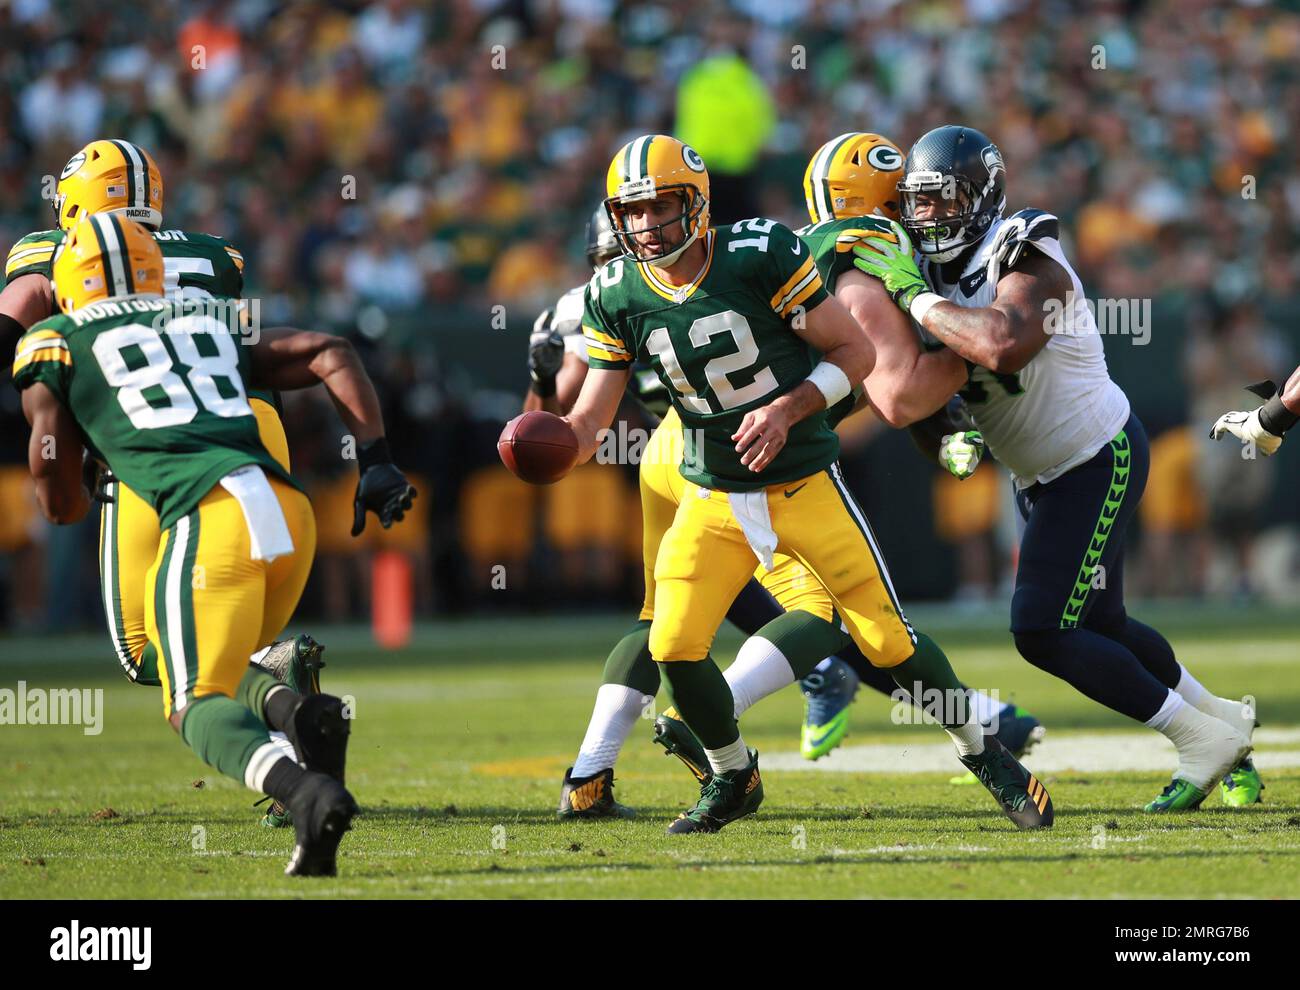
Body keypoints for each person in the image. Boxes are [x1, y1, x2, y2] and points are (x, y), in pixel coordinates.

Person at [559, 134, 1052, 833]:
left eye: (660, 207)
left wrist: (790, 409)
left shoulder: (764, 250)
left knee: (884, 639)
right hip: (710, 488)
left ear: (696, 205)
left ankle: (989, 756)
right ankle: (733, 776)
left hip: (799, 479)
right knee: (672, 644)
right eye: (631, 213)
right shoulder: (615, 290)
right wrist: (556, 446)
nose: (644, 227)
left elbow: (853, 354)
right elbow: (588, 419)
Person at [853, 124, 1259, 811]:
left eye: (943, 201)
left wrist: (915, 299)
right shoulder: (918, 271)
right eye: (917, 203)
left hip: (1095, 455)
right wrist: (945, 435)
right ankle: (1228, 724)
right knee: (1104, 625)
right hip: (1040, 474)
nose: (927, 219)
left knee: (1041, 629)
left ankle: (1198, 739)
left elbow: (1003, 345)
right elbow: (921, 402)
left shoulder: (1023, 246)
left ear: (981, 198)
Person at [14, 214, 415, 874]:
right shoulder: (208, 320)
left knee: (189, 699)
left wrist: (78, 480)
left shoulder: (55, 341)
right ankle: (294, 708)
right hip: (287, 515)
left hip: (210, 517)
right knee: (200, 662)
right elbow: (329, 350)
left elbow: (55, 494)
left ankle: (301, 789)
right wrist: (375, 458)